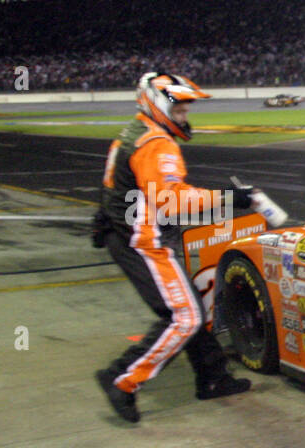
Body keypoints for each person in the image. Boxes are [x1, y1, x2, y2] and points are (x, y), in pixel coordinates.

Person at [94, 72, 256, 423]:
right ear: (158, 103)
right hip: (145, 243)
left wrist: (104, 215)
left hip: (127, 235)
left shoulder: (131, 134)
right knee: (185, 317)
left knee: (191, 307)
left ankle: (213, 377)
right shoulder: (156, 143)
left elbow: (113, 182)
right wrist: (231, 199)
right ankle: (122, 379)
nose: (185, 116)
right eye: (180, 109)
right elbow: (172, 201)